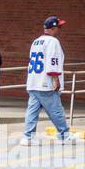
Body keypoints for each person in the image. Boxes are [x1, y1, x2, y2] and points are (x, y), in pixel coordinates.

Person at [21, 16, 73, 146]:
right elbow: (52, 61)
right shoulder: (53, 42)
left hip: (33, 81)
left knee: (32, 111)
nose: (60, 30)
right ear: (53, 28)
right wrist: (55, 79)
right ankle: (64, 136)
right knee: (56, 110)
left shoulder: (36, 41)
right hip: (46, 83)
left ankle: (28, 137)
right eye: (59, 27)